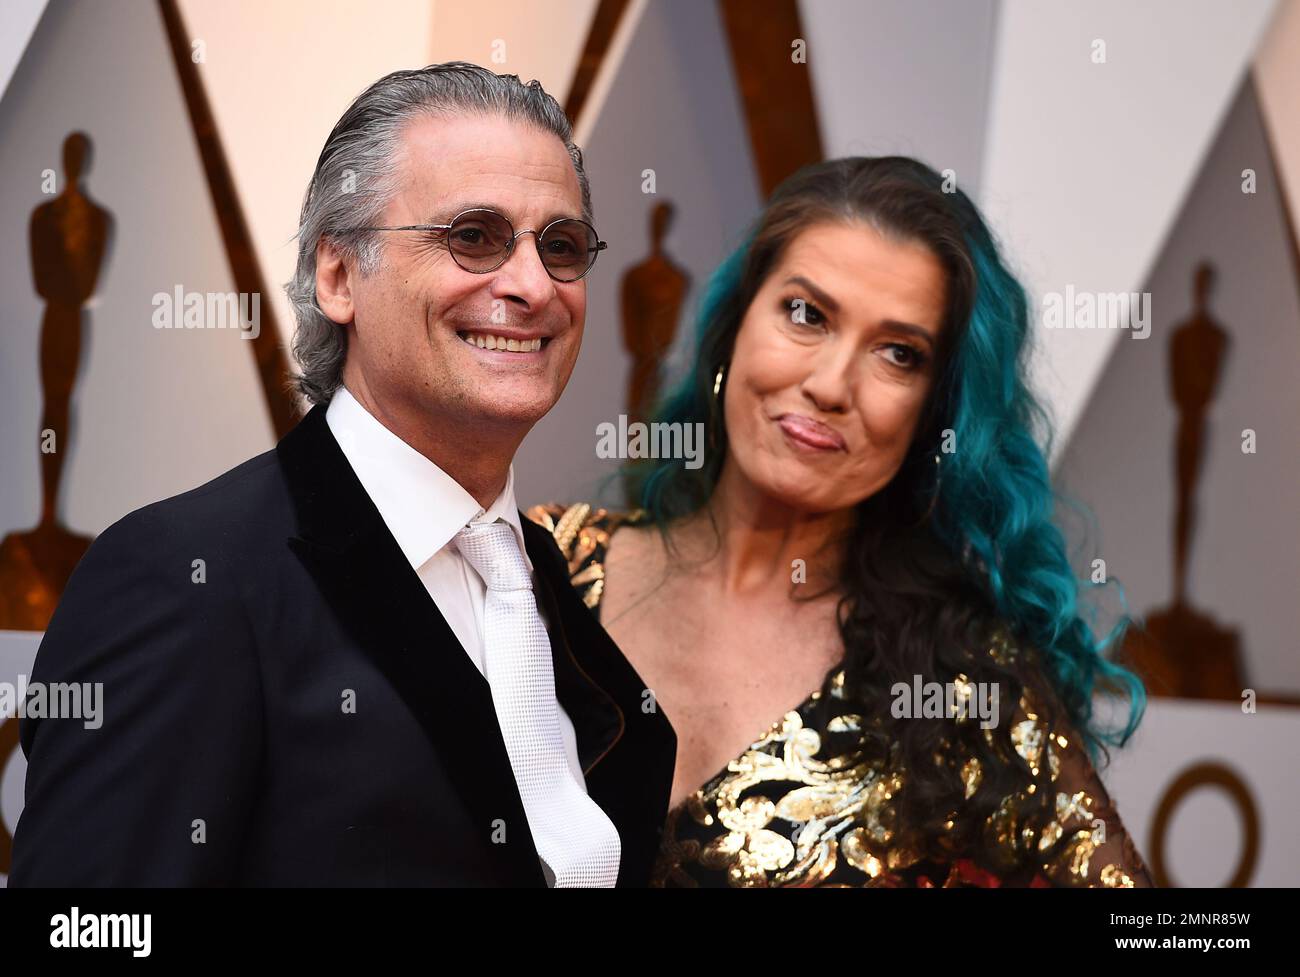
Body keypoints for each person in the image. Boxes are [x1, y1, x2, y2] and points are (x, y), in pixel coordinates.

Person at [10, 62, 675, 887]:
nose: (533, 285)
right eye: (474, 235)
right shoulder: (187, 578)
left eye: (562, 246)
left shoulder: (539, 574)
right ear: (338, 276)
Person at [529, 156, 1155, 887]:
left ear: (935, 412)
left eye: (898, 354)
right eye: (806, 314)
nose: (830, 384)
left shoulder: (964, 685)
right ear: (733, 328)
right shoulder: (544, 563)